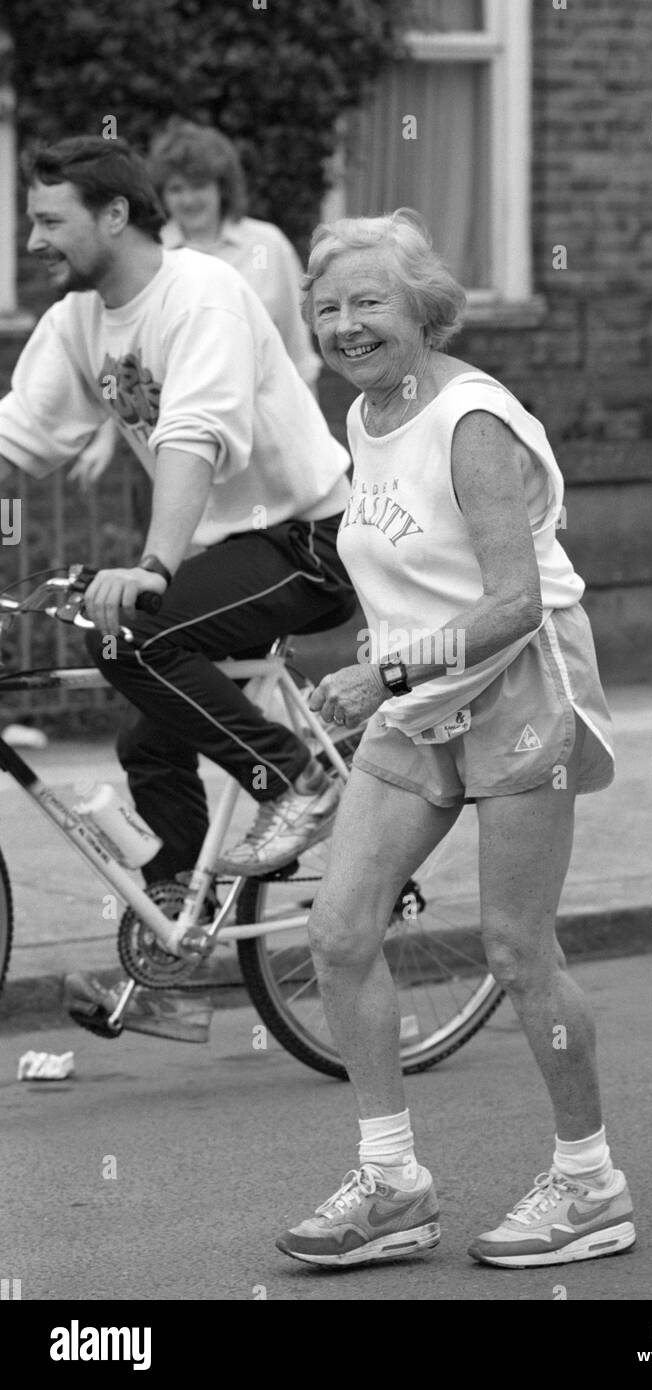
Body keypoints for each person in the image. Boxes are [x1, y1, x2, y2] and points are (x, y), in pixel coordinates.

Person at [274, 209, 635, 1271]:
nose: (346, 325)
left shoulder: (470, 417)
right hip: (424, 693)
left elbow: (514, 601)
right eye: (328, 308)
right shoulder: (368, 414)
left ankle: (589, 1181)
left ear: (422, 309)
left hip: (522, 683)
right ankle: (392, 1185)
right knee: (339, 930)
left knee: (519, 949)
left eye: (369, 303)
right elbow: (409, 566)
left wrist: (383, 668)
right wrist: (377, 663)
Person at [0, 136, 356, 1042]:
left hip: (305, 539)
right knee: (148, 744)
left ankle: (299, 780)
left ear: (114, 214)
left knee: (130, 639)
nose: (30, 238)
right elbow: (16, 442)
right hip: (225, 553)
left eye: (49, 219)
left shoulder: (201, 296)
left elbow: (193, 436)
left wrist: (155, 570)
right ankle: (174, 950)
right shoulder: (81, 318)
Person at [70, 119, 320, 488]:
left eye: (200, 186)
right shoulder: (149, 258)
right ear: (161, 195)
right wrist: (104, 437)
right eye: (176, 188)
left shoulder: (268, 246)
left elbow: (299, 354)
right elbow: (121, 356)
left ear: (222, 187)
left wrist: (312, 439)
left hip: (265, 444)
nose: (189, 199)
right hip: (172, 447)